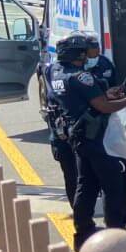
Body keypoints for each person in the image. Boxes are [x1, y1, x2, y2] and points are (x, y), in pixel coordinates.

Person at [52, 33, 126, 251]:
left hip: (76, 135)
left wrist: (106, 94)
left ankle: (82, 232)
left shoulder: (53, 71)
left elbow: (87, 99)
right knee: (113, 184)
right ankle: (116, 233)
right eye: (84, 52)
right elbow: (103, 107)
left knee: (86, 185)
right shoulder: (82, 77)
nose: (87, 56)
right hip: (94, 137)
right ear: (78, 54)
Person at [38, 48, 79, 205]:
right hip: (64, 136)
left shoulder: (50, 70)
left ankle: (79, 213)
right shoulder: (66, 75)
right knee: (73, 176)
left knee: (72, 176)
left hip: (62, 135)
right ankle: (80, 216)